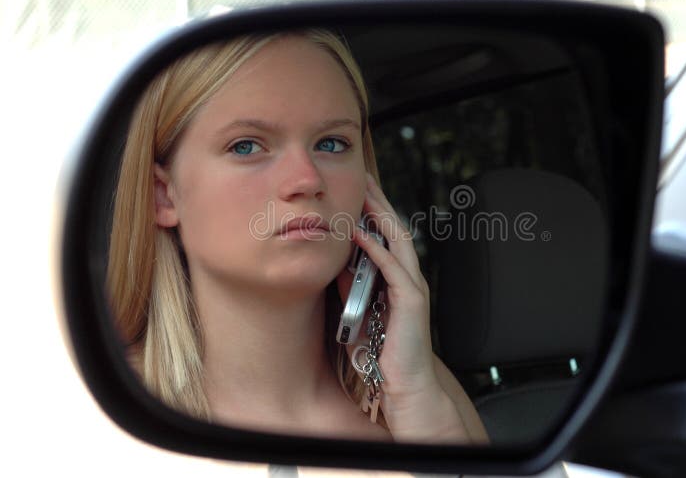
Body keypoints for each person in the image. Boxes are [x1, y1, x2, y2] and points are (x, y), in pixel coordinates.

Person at [107, 28, 488, 444]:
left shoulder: (423, 389)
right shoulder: (100, 410)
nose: (307, 180)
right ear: (164, 196)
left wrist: (419, 407)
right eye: (247, 147)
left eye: (331, 142)